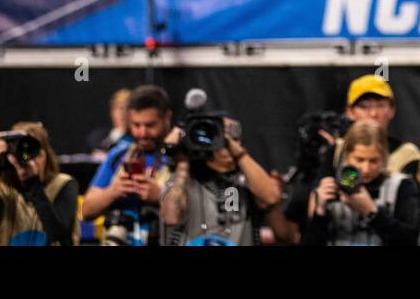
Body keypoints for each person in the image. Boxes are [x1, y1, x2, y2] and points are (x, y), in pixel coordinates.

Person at [160, 107, 281, 245]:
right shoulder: (184, 180)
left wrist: (239, 153)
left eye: (232, 136)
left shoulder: (246, 180)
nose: (223, 143)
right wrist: (182, 161)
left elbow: (271, 197)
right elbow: (171, 216)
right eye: (217, 135)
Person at [300, 121, 420, 246]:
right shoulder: (332, 187)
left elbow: (410, 239)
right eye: (359, 160)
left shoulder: (401, 186)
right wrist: (319, 212)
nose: (366, 169)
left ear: (384, 157)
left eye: (373, 161)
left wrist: (371, 212)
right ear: (347, 156)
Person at [83, 85, 178, 245]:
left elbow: (200, 217)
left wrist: (160, 196)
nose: (142, 133)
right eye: (136, 125)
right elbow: (86, 211)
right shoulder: (118, 155)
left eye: (150, 125)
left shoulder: (182, 158)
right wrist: (113, 191)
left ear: (166, 117)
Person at [0, 121, 79, 246]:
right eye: (24, 155)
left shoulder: (64, 184)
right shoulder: (4, 188)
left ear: (47, 156)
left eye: (36, 154)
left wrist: (33, 183)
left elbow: (58, 234)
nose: (31, 161)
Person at [87, 88, 132, 158]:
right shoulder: (98, 137)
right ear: (111, 111)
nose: (122, 113)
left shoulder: (139, 139)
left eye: (127, 109)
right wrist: (117, 134)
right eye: (118, 108)